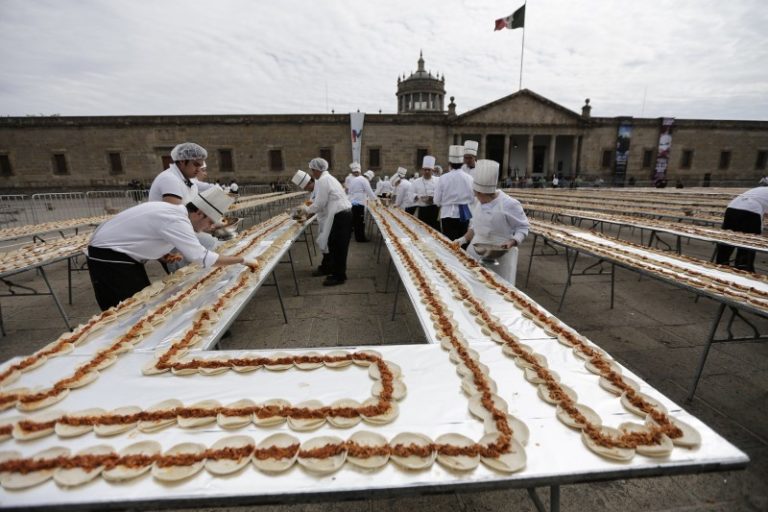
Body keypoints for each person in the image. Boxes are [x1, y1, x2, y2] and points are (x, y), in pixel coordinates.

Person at [86, 188, 255, 311]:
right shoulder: (176, 220)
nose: (209, 227)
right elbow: (202, 257)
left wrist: (162, 254)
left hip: (117, 254)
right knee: (127, 309)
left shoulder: (175, 213)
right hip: (109, 257)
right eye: (210, 222)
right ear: (199, 213)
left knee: (139, 303)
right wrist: (242, 260)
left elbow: (145, 233)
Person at [453, 159, 530, 283]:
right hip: (476, 252)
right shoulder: (479, 202)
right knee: (473, 286)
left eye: (477, 194)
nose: (476, 197)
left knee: (497, 287)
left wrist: (512, 241)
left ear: (484, 193)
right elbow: (475, 227)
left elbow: (523, 227)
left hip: (499, 255)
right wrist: (462, 240)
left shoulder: (510, 204)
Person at [295, 158, 352, 286]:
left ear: (316, 170)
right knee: (335, 246)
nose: (312, 173)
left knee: (337, 247)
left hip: (340, 215)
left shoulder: (323, 180)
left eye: (312, 170)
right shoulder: (328, 178)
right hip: (342, 214)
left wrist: (304, 210)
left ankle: (338, 276)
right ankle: (337, 273)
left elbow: (319, 204)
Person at [715, 186, 768, 272]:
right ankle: (743, 268)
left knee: (728, 238)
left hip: (732, 207)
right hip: (750, 210)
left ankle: (721, 264)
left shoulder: (761, 189)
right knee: (747, 241)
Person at [434, 145, 474, 241]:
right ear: (462, 163)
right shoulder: (469, 178)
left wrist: (442, 203)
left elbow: (436, 200)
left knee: (449, 243)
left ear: (450, 164)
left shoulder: (443, 178)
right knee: (462, 243)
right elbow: (472, 199)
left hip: (447, 214)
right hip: (464, 214)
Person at [347, 169, 377, 242]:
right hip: (359, 202)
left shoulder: (355, 179)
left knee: (355, 220)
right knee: (360, 221)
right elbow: (369, 191)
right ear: (369, 177)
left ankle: (357, 236)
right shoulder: (364, 180)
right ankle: (360, 238)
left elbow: (349, 190)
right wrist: (375, 200)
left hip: (353, 201)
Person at [411, 156, 440, 230]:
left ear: (432, 170)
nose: (427, 171)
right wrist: (417, 196)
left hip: (434, 209)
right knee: (422, 230)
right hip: (422, 210)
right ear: (422, 170)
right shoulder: (416, 182)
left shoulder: (438, 180)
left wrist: (433, 198)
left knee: (434, 231)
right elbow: (410, 194)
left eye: (429, 170)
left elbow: (441, 193)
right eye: (425, 170)